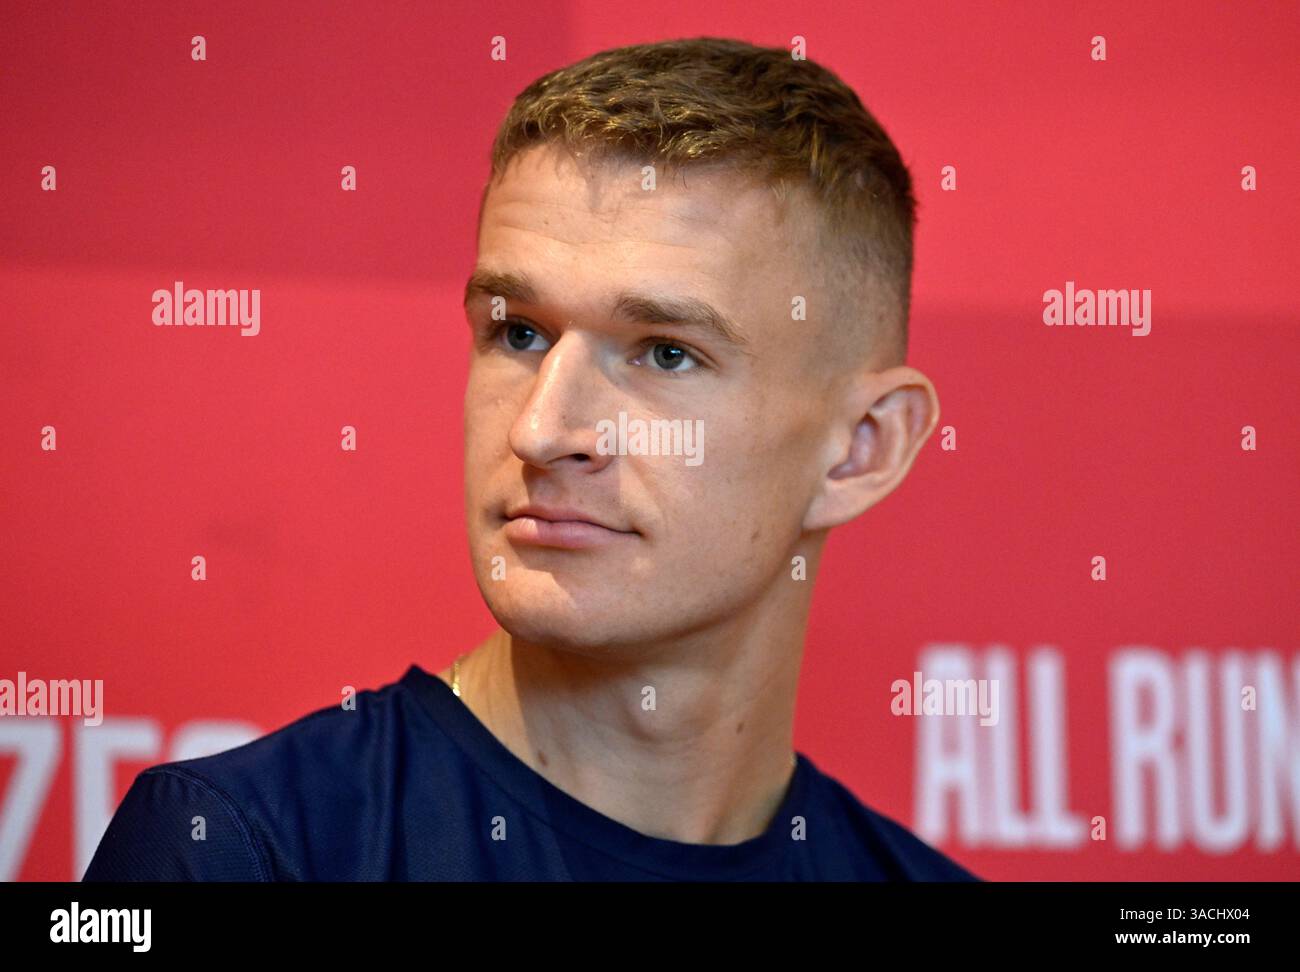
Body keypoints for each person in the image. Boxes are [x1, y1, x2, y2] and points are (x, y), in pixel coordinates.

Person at [83, 37, 977, 881]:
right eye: (518, 333)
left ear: (861, 449)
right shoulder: (244, 850)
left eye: (665, 352)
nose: (542, 431)